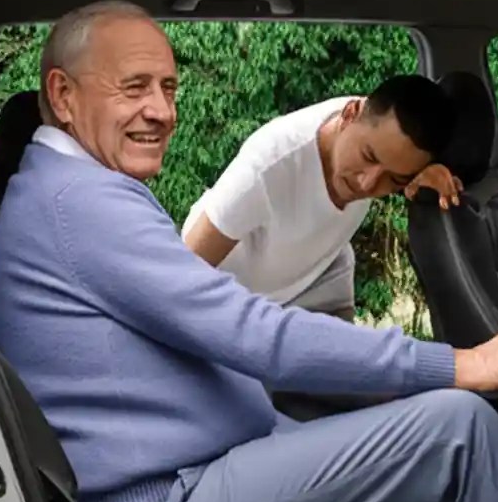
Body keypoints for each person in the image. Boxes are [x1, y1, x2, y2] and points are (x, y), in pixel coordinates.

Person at [0, 0, 498, 502]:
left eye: (169, 88)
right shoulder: (81, 203)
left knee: (405, 423)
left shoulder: (61, 187)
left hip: (195, 461)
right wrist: (470, 365)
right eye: (134, 88)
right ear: (63, 96)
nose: (162, 111)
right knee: (454, 429)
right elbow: (254, 334)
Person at [180, 74, 464, 320]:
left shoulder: (384, 142)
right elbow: (182, 273)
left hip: (308, 292)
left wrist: (419, 178)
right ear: (350, 113)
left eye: (395, 179)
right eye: (368, 156)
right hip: (229, 304)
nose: (367, 183)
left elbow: (394, 158)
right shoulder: (267, 165)